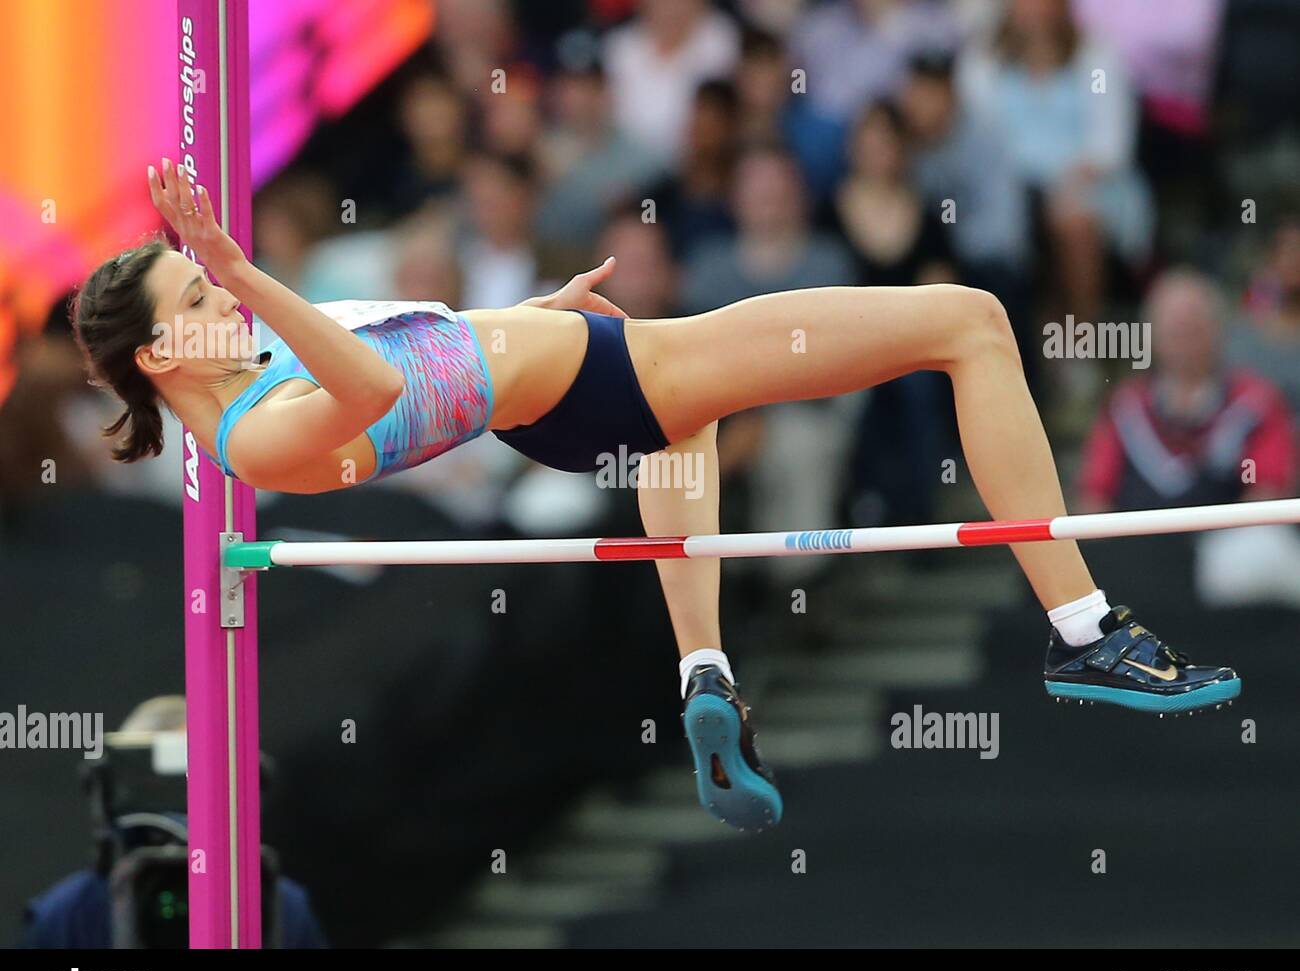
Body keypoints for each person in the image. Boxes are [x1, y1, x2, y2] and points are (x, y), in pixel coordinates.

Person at [72, 158, 1240, 833]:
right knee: (971, 324)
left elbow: (412, 359)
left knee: (691, 425)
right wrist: (240, 265)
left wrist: (526, 318)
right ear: (163, 358)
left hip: (566, 390)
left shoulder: (246, 387)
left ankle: (703, 672)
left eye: (207, 284)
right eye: (196, 300)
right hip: (612, 379)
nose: (219, 300)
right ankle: (1085, 631)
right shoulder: (255, 439)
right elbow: (374, 381)